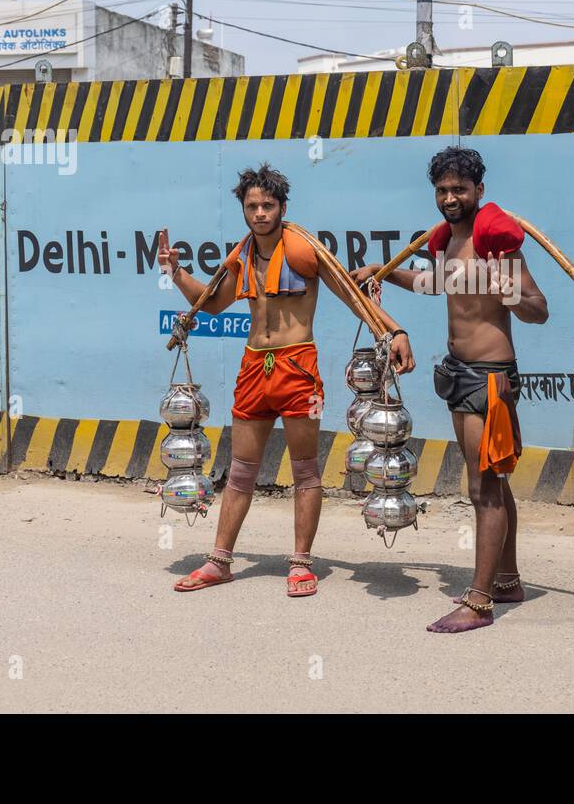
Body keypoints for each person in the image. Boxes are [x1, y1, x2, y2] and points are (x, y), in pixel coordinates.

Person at [161, 163, 414, 598]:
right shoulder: (241, 255)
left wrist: (393, 332)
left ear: (282, 207)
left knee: (305, 472)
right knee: (240, 472)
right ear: (243, 209)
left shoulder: (304, 250)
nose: (260, 213)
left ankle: (301, 563)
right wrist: (175, 272)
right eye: (252, 206)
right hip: (254, 366)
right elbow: (214, 304)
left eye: (268, 205)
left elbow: (352, 296)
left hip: (298, 368)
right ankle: (219, 560)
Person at [352, 146, 548, 633]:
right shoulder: (448, 242)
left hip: (491, 379)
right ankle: (506, 580)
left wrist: (501, 285)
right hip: (460, 372)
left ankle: (479, 602)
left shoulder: (497, 243)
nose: (450, 197)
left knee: (484, 487)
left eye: (459, 189)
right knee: (492, 481)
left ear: (479, 191)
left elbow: (538, 308)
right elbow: (433, 284)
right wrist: (382, 275)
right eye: (442, 190)